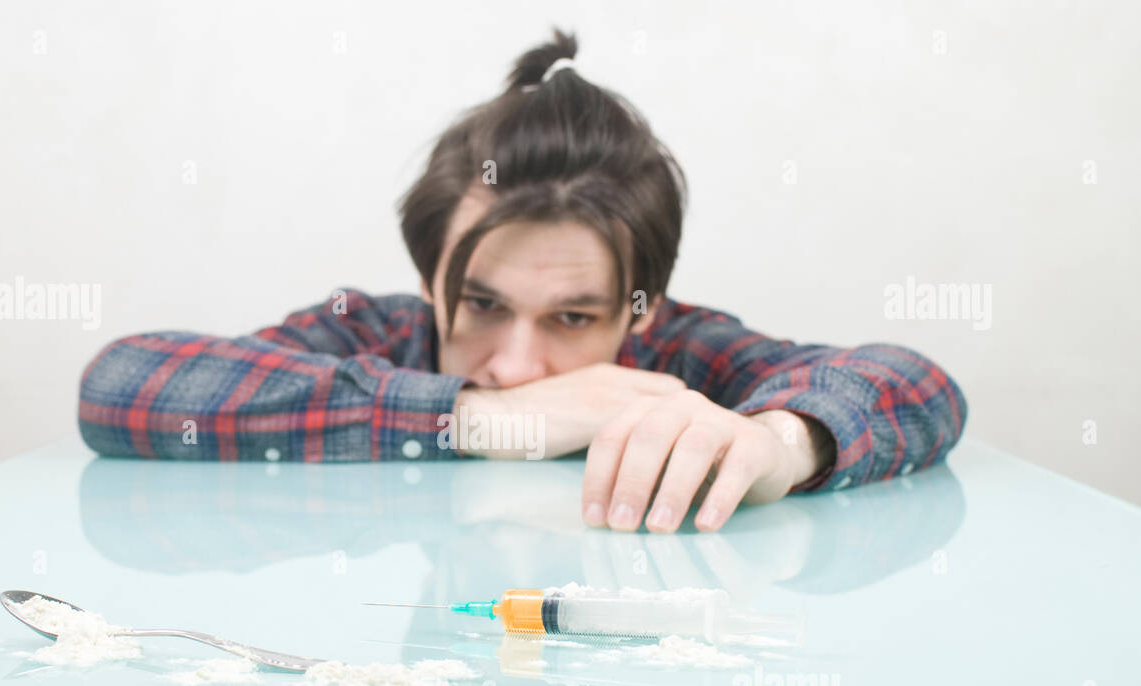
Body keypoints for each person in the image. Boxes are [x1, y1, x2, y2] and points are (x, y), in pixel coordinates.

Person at [78, 27, 967, 534]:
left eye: (575, 317)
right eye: (482, 303)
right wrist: (489, 419)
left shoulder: (678, 357)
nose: (514, 361)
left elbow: (917, 384)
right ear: (430, 277)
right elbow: (125, 384)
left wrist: (783, 442)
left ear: (639, 306)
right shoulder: (370, 334)